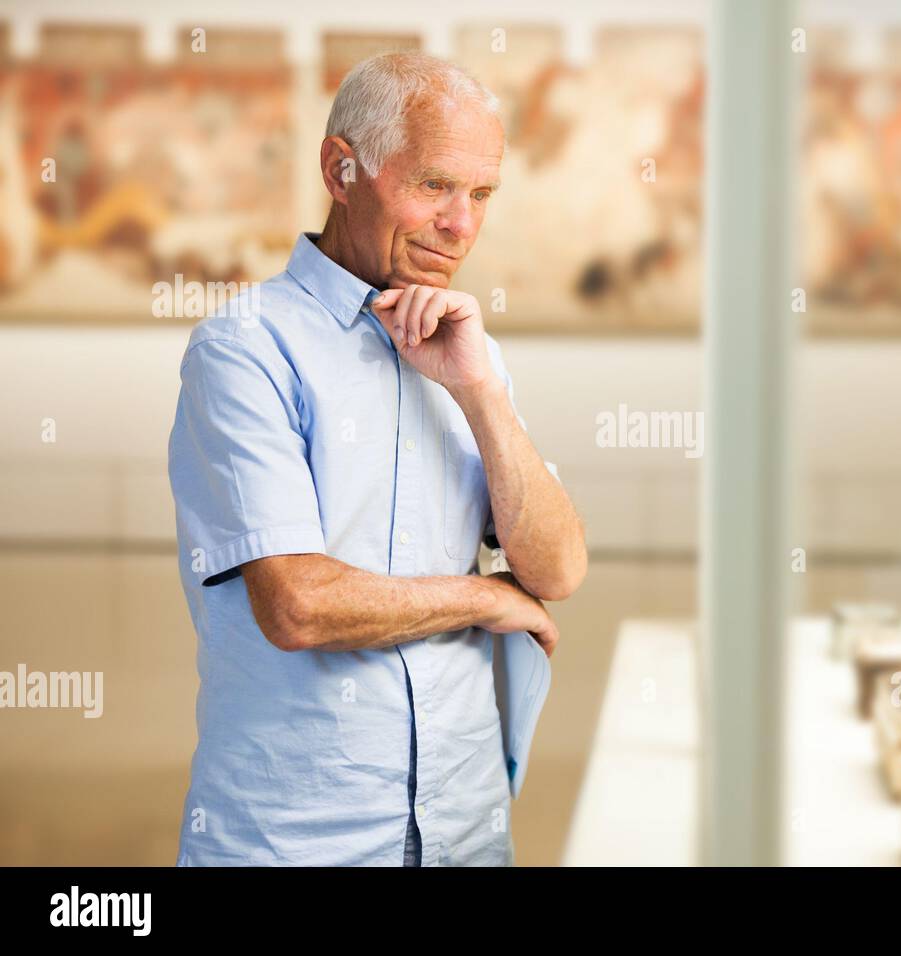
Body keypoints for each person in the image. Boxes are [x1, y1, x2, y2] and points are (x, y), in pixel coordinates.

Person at [166, 52, 586, 866]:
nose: (461, 224)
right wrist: (482, 599)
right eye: (434, 185)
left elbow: (559, 570)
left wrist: (480, 395)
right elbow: (299, 605)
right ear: (341, 168)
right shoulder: (243, 351)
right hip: (299, 840)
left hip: (465, 828)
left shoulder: (470, 350)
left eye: (482, 194)